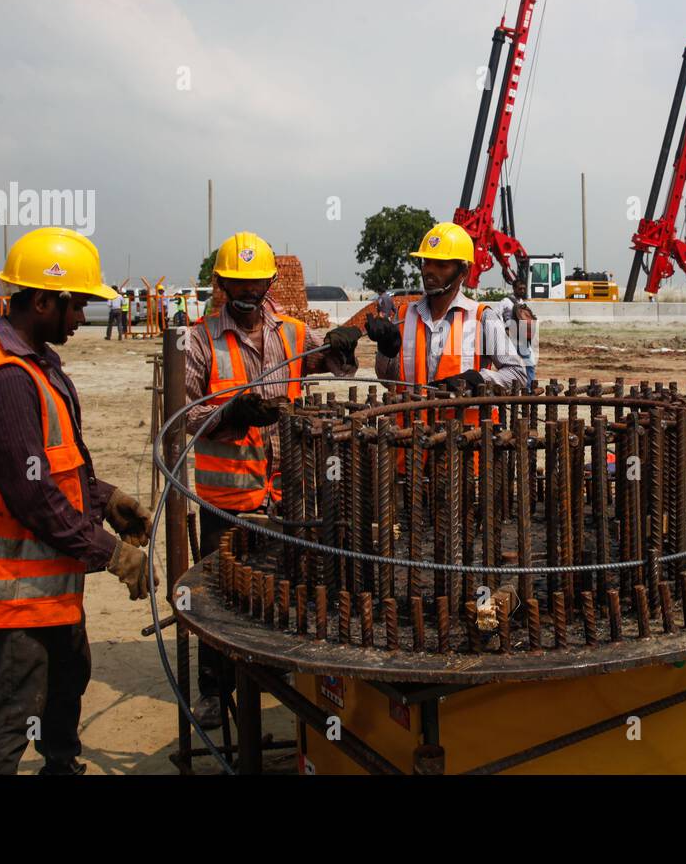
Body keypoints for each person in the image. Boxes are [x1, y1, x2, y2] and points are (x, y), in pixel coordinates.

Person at [0, 227, 156, 775]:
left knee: (67, 683)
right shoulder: (7, 379)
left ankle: (61, 768)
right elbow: (33, 496)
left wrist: (106, 498)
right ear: (43, 300)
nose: (82, 317)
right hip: (15, 588)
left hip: (48, 583)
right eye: (77, 305)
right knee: (15, 711)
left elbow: (55, 467)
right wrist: (112, 554)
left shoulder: (39, 364)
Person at [184, 231, 360, 727]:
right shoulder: (200, 339)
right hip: (228, 494)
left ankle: (272, 670)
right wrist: (231, 412)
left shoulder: (291, 332)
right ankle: (214, 688)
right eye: (237, 283)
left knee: (282, 581)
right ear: (221, 283)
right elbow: (186, 417)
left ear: (268, 283)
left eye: (255, 283)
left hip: (286, 490)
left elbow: (338, 368)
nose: (247, 292)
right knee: (217, 591)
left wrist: (342, 349)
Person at [365, 222, 528, 394]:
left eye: (441, 265)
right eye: (427, 262)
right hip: (411, 412)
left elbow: (518, 374)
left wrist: (478, 380)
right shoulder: (404, 316)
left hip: (463, 413)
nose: (429, 271)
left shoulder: (482, 317)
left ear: (464, 272)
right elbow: (388, 381)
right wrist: (386, 351)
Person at [497, 274, 538, 390]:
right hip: (510, 337)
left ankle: (529, 389)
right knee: (511, 364)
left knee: (529, 363)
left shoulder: (522, 302)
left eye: (524, 288)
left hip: (521, 337)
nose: (522, 291)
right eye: (520, 288)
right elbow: (496, 314)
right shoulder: (505, 301)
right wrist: (504, 329)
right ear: (514, 288)